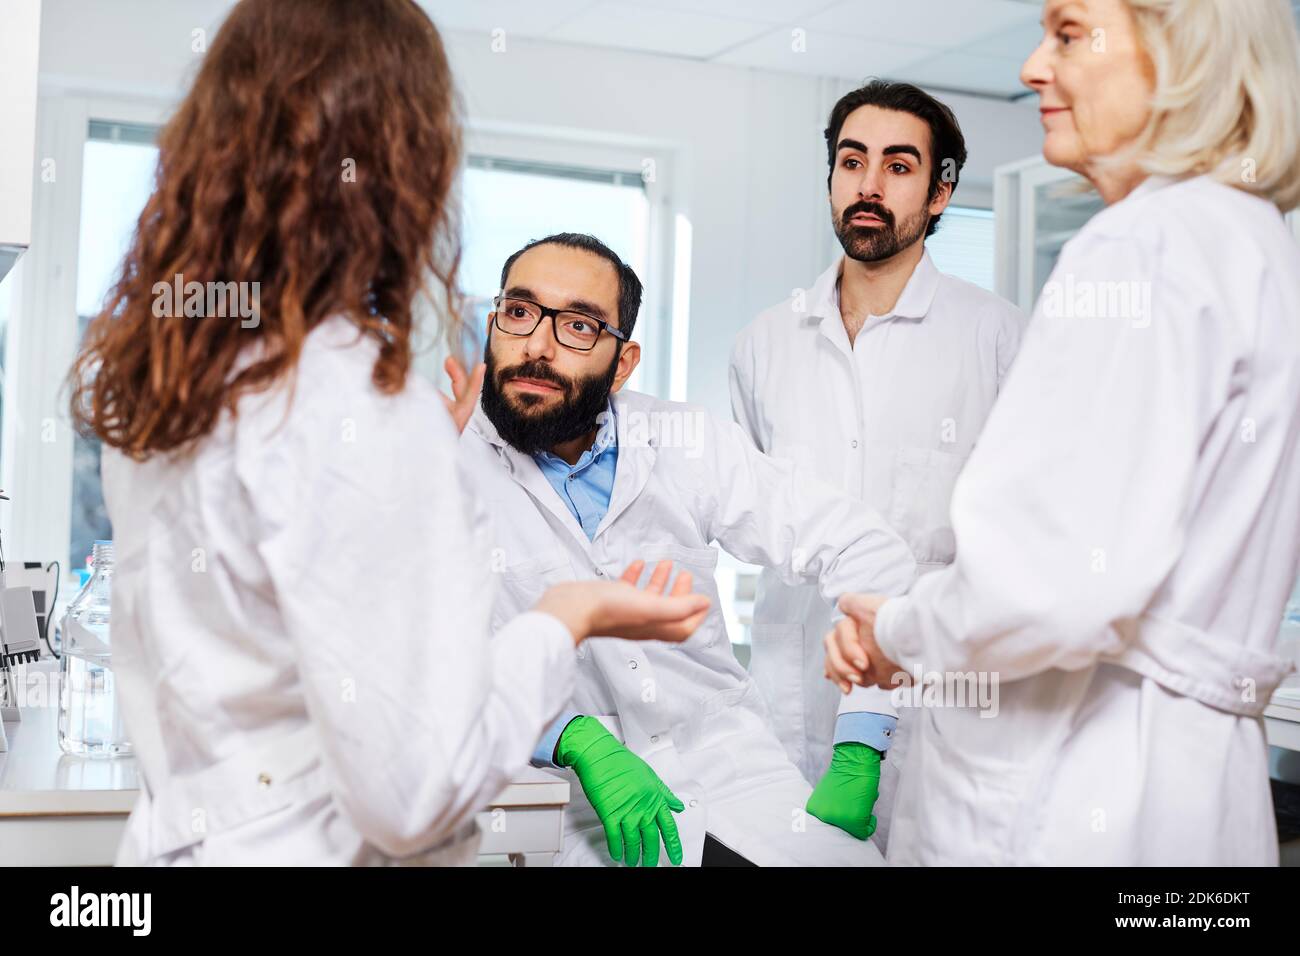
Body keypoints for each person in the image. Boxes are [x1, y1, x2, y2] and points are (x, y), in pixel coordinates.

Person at [66, 0, 708, 866]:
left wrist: (407, 487)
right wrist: (567, 616)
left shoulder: (173, 371)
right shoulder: (354, 397)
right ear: (405, 163)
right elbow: (412, 795)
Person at [825, 0, 1300, 865]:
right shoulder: (1250, 239)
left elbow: (1051, 586)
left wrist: (896, 630)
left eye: (1071, 34)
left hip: (1083, 789)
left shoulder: (1142, 246)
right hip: (1191, 789)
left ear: (1179, 51)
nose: (1033, 67)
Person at [459, 232, 917, 866]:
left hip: (734, 771)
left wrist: (862, 740)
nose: (537, 346)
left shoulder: (685, 441)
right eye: (519, 312)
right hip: (563, 806)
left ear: (623, 363)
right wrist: (568, 735)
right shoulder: (439, 469)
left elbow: (867, 549)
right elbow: (409, 660)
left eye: (580, 327)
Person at [730, 80, 1025, 849]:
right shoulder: (765, 342)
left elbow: (1022, 540)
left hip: (938, 706)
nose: (868, 185)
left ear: (940, 192)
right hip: (792, 697)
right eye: (851, 161)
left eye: (899, 166)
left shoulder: (997, 340)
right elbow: (749, 509)